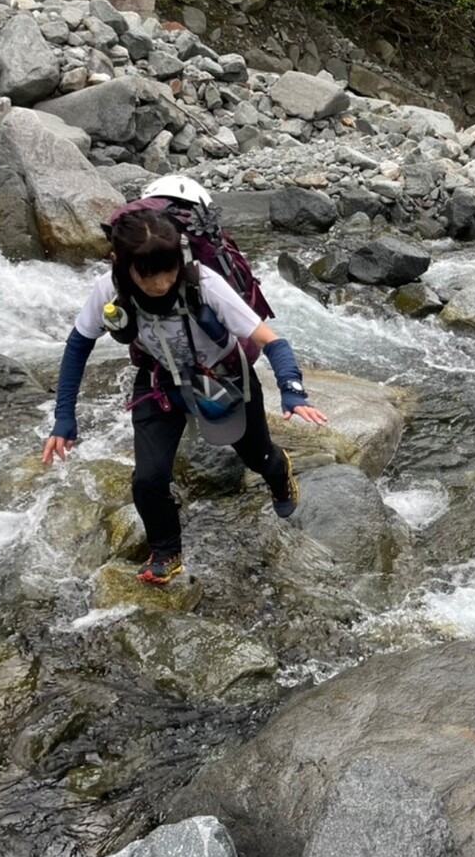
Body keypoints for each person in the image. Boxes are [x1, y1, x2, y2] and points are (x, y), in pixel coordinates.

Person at [42, 207, 329, 584]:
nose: (161, 284)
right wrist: (64, 418)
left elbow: (271, 341)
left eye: (169, 271)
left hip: (224, 379)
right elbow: (78, 346)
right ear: (121, 264)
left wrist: (293, 391)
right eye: (148, 275)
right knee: (148, 479)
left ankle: (279, 471)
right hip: (160, 383)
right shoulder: (108, 290)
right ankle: (166, 551)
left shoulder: (203, 282)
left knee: (256, 457)